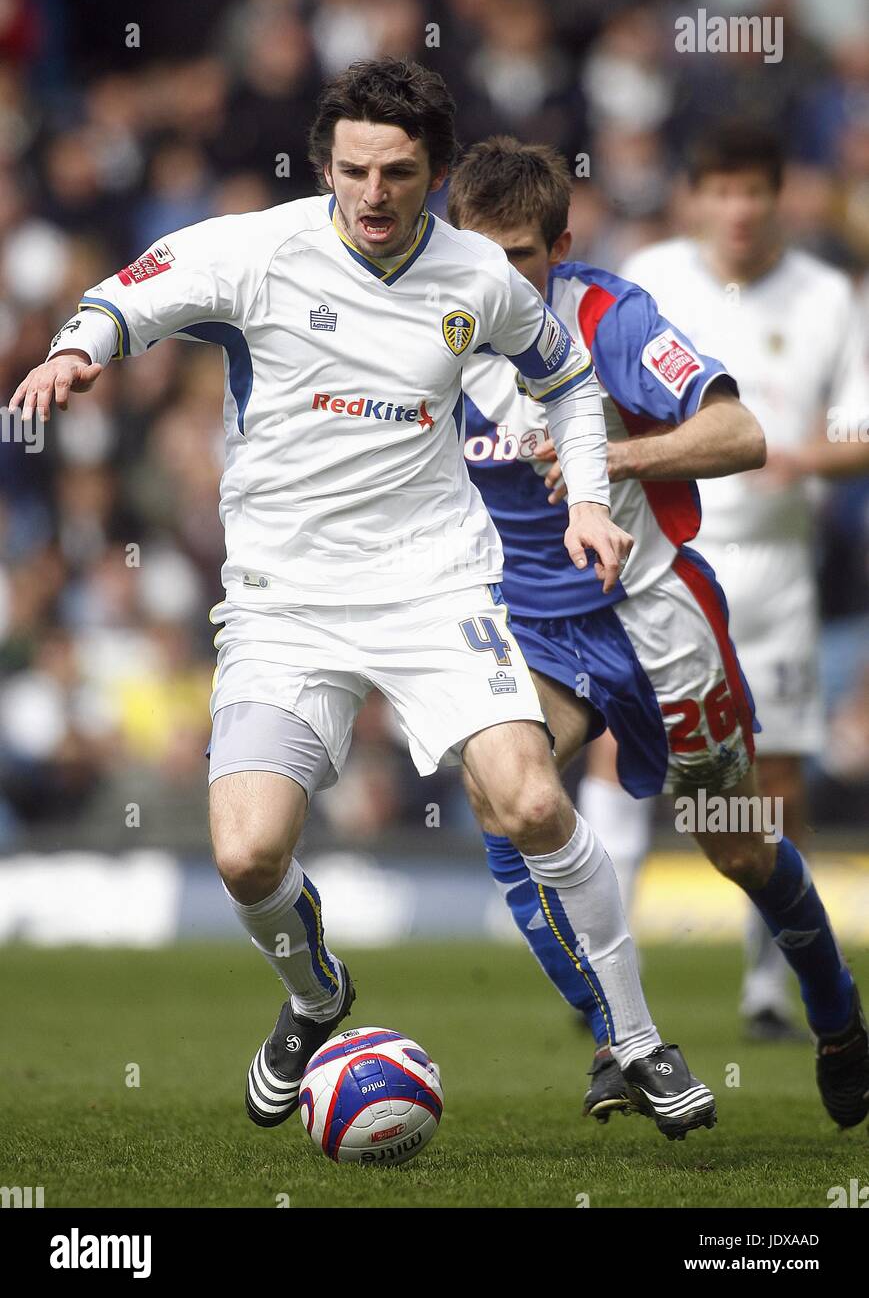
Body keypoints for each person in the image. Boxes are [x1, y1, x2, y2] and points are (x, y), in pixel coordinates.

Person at [8, 60, 716, 1142]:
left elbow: (564, 378)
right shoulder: (255, 248)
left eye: (396, 173)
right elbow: (122, 296)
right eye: (350, 170)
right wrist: (72, 353)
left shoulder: (478, 276)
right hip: (282, 600)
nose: (371, 194)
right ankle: (316, 997)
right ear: (323, 165)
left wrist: (585, 493)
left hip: (433, 586)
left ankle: (635, 1038)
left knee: (529, 802)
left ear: (433, 174)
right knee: (246, 854)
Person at [447, 134, 869, 1130]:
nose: (496, 277)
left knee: (734, 842)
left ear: (558, 245)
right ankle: (616, 1036)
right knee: (505, 797)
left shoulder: (609, 314)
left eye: (519, 256)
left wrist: (619, 458)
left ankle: (838, 1016)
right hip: (530, 627)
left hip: (650, 614)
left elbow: (741, 435)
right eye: (476, 252)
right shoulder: (423, 324)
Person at [620, 123, 869, 1039]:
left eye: (752, 191)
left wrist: (800, 456)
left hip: (774, 571)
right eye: (718, 190)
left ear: (779, 197)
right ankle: (612, 983)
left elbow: (860, 427)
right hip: (660, 555)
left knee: (772, 782)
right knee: (632, 762)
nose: (736, 209)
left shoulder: (827, 298)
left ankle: (767, 983)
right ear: (692, 197)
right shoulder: (648, 275)